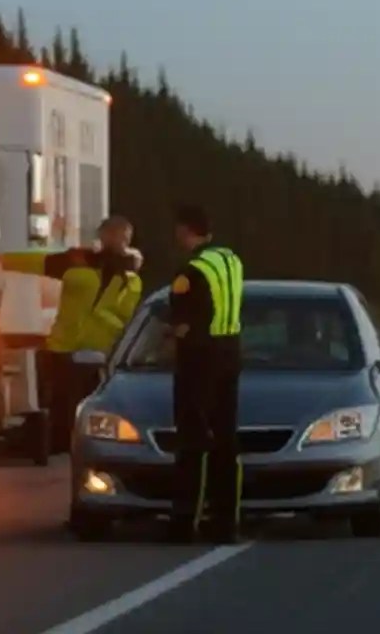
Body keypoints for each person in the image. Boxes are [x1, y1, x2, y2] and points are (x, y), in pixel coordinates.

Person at [2, 215, 144, 454]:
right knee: (65, 400)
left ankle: (68, 441)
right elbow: (37, 262)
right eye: (113, 235)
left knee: (72, 400)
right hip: (75, 347)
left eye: (119, 236)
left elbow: (126, 316)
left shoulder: (113, 273)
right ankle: (64, 441)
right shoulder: (84, 265)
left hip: (86, 348)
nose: (114, 240)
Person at [167, 204, 245, 544]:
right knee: (225, 442)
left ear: (186, 231)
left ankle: (186, 521)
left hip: (199, 361)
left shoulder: (191, 271)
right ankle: (226, 520)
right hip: (230, 355)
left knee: (192, 442)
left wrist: (170, 340)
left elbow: (182, 324)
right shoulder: (231, 260)